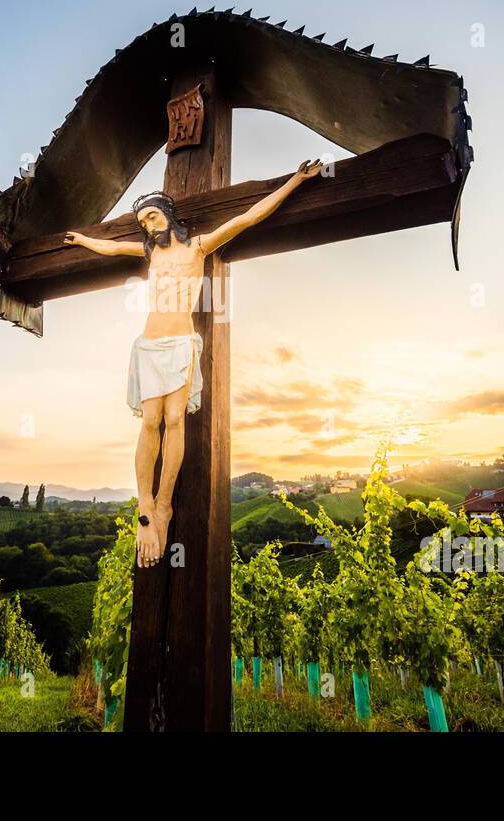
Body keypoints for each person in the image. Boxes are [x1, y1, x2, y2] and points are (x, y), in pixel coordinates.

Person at [65, 158, 325, 567]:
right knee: (149, 421)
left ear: (168, 215)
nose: (149, 226)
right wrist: (83, 239)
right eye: (144, 222)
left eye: (153, 216)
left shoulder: (199, 247)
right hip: (149, 345)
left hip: (181, 343)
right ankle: (145, 504)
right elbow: (111, 246)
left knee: (173, 420)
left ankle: (164, 503)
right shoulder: (149, 254)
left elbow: (247, 218)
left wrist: (295, 180)